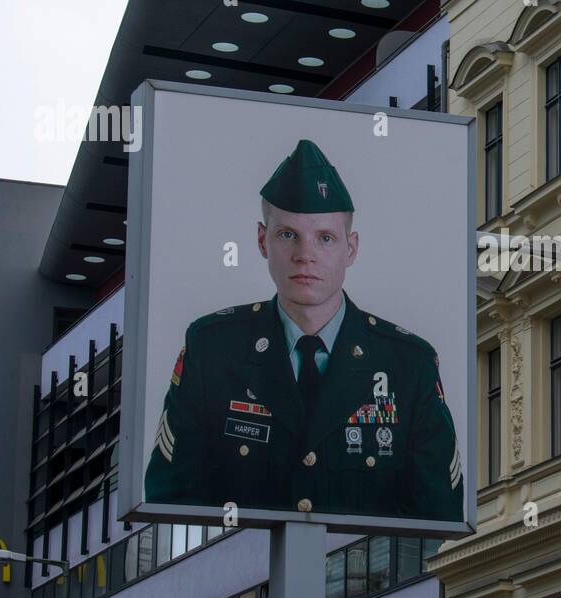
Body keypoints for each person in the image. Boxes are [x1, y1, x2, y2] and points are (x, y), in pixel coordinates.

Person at [144, 138, 464, 522]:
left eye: (325, 238)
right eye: (288, 235)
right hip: (243, 580)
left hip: (370, 580)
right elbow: (171, 502)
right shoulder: (212, 349)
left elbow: (438, 517)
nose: (304, 254)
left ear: (351, 248)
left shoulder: (409, 365)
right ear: (263, 240)